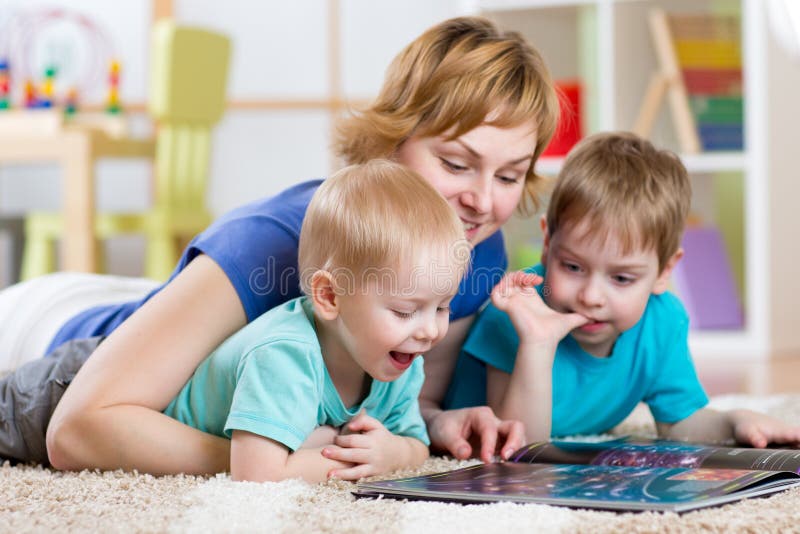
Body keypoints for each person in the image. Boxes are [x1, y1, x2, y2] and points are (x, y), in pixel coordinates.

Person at [0, 16, 559, 474]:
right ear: (392, 140)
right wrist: (271, 458)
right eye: (456, 164)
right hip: (59, 336)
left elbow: (401, 391)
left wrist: (433, 425)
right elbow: (76, 428)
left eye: (510, 176)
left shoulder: (475, 247)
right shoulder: (271, 243)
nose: (483, 201)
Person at [1, 160, 471, 482]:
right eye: (405, 311)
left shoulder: (399, 356)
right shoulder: (285, 354)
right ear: (329, 296)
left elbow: (415, 442)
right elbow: (258, 475)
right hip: (68, 387)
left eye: (442, 308)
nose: (430, 330)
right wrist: (334, 455)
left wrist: (394, 453)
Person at [446, 132, 800, 447]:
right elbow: (518, 445)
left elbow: (680, 423)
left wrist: (735, 421)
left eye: (621, 279)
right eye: (572, 267)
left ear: (664, 271)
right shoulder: (516, 312)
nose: (591, 297)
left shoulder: (663, 320)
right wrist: (537, 344)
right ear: (547, 243)